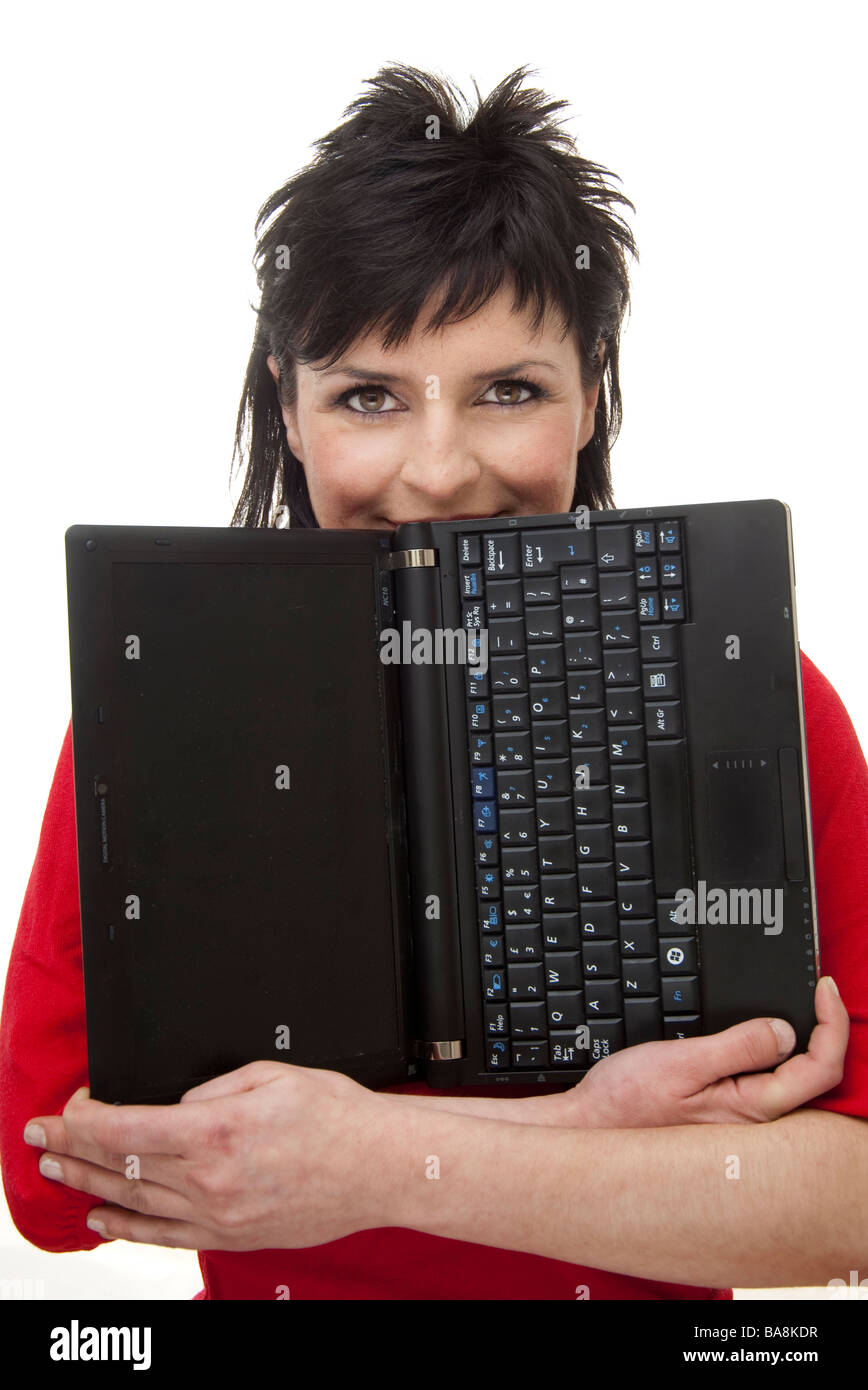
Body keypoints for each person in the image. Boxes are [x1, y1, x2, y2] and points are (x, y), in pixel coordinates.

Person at [1, 64, 866, 1302]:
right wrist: (584, 1134)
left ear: (590, 398)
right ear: (289, 417)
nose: (439, 467)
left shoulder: (765, 699)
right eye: (367, 396)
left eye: (507, 389)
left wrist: (370, 1161)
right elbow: (51, 1183)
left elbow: (850, 1199)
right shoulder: (153, 717)